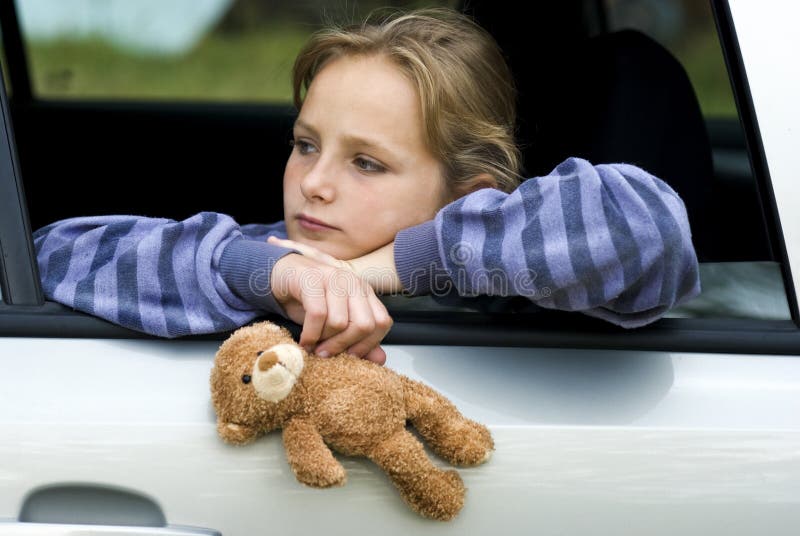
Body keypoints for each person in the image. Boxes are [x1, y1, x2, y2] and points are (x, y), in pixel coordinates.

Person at [32, 8, 700, 365]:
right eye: (305, 145)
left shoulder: (525, 286)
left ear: (470, 198)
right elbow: (50, 255)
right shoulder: (267, 260)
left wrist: (394, 268)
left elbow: (642, 226)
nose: (314, 183)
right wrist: (264, 271)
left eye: (367, 164)